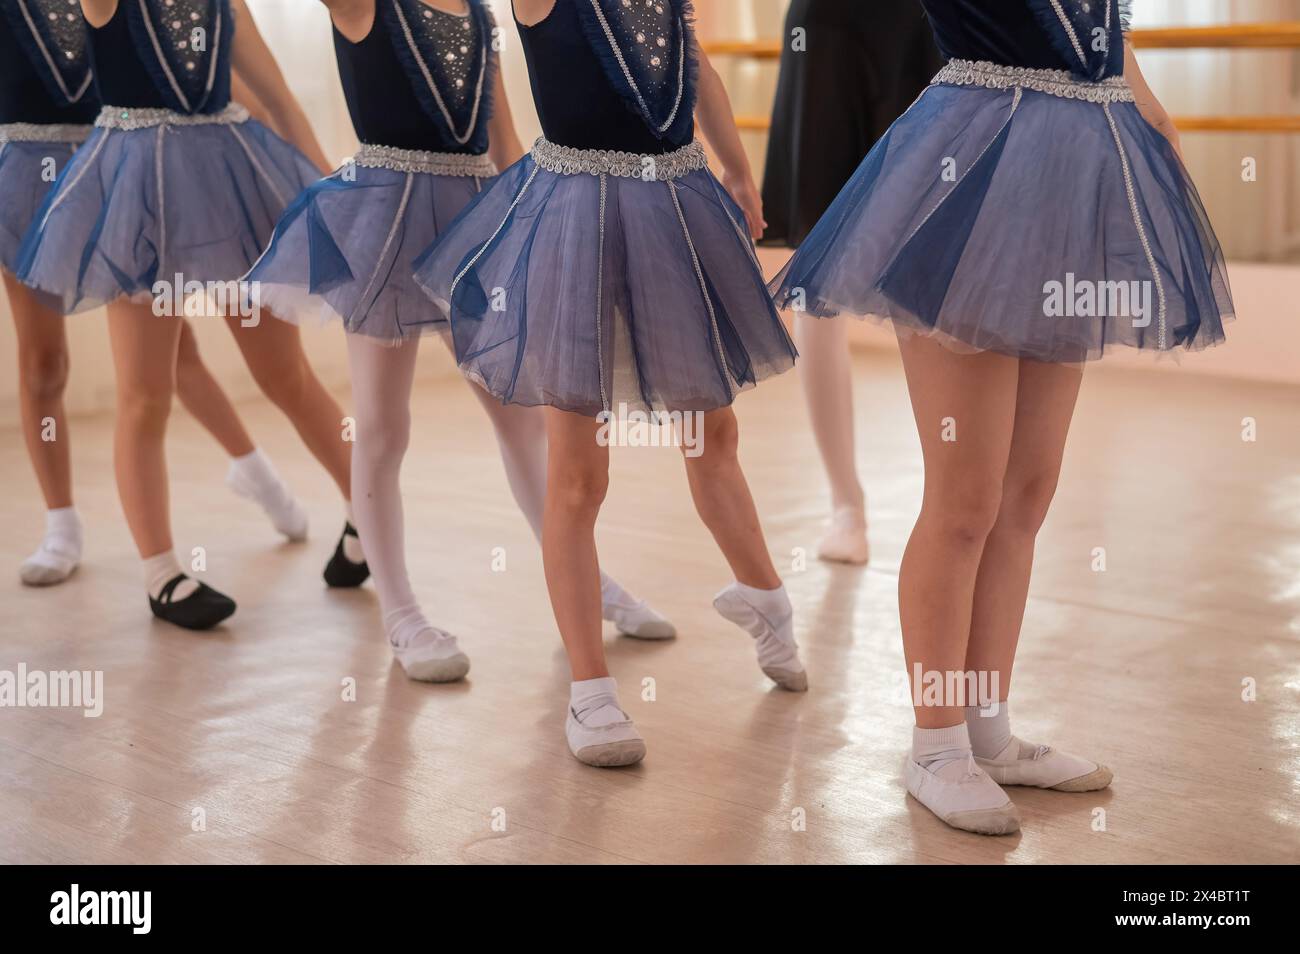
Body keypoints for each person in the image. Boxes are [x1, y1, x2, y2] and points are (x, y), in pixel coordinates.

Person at [772, 0, 1233, 834]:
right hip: (973, 163)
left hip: (1082, 165)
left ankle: (988, 729)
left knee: (1028, 491)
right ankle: (936, 743)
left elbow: (1099, 28)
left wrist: (1149, 109)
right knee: (966, 499)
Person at [414, 0, 807, 767]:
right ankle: (590, 695)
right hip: (573, 219)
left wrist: (736, 166)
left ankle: (767, 600)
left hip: (674, 202)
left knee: (714, 433)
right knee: (577, 477)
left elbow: (692, 69)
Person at [246, 0, 675, 682]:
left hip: (472, 227)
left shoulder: (480, 15)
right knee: (384, 429)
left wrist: (520, 238)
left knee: (523, 422)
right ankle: (402, 615)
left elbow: (502, 143)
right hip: (385, 227)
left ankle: (591, 589)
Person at [18, 0, 370, 629]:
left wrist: (333, 199)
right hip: (137, 194)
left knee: (285, 376)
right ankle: (161, 574)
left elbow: (283, 103)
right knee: (146, 393)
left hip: (231, 182)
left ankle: (366, 516)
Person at [761, 0, 943, 565]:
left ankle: (953, 489)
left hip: (928, 26)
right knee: (820, 275)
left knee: (936, 251)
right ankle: (845, 501)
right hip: (829, 30)